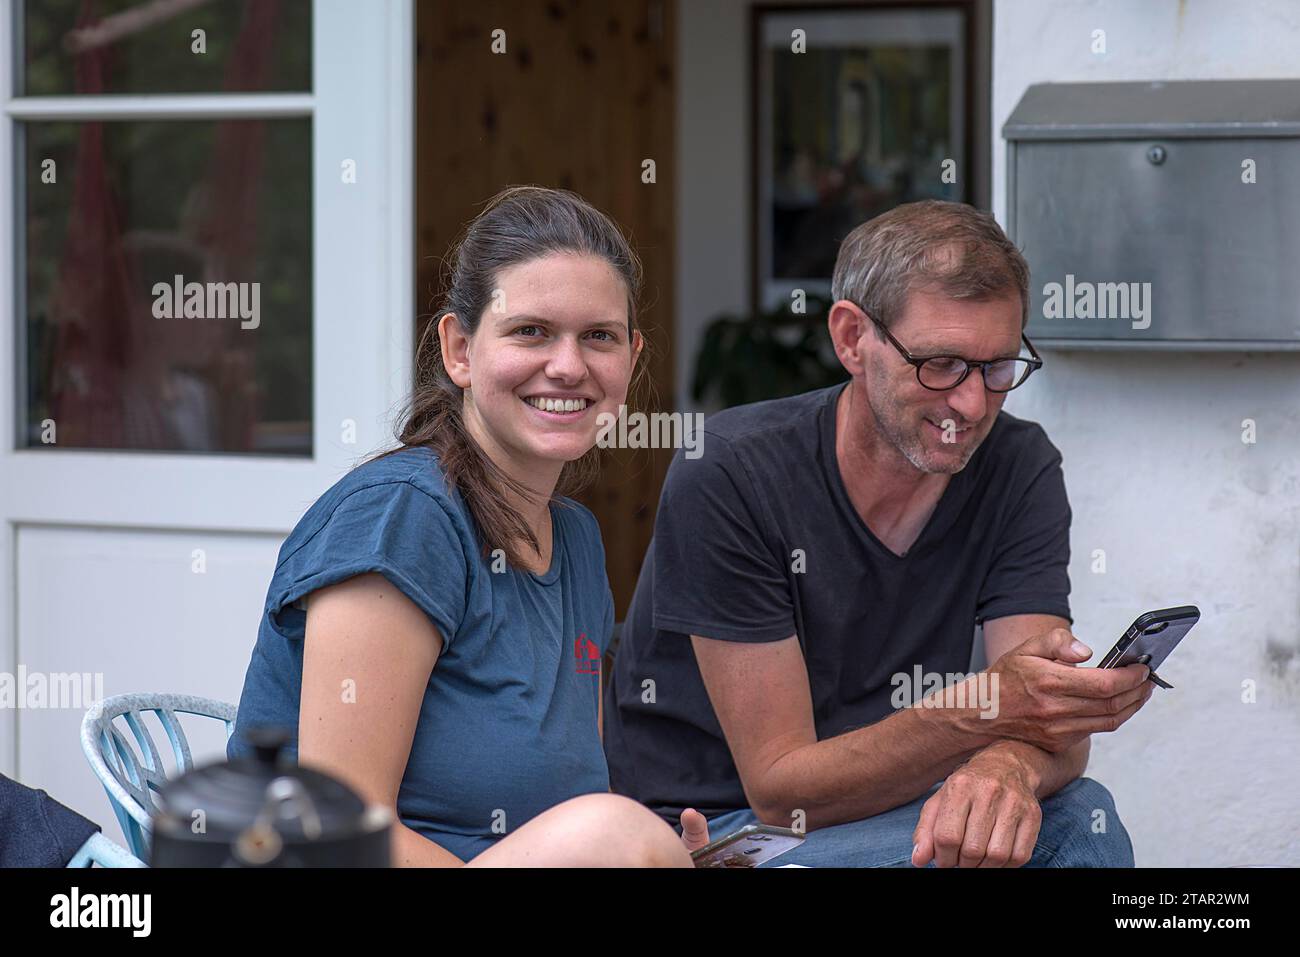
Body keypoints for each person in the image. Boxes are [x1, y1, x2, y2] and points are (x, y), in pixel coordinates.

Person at [604, 199, 1151, 867]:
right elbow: (781, 790)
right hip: (721, 830)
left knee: (1077, 815)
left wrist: (1007, 764)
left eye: (999, 368)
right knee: (1056, 834)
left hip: (896, 808)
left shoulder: (1018, 464)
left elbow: (1042, 709)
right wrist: (988, 713)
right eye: (940, 364)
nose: (972, 404)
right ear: (851, 337)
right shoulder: (730, 470)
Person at [229, 186, 708, 866]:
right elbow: (335, 832)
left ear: (629, 359)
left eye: (598, 336)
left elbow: (562, 803)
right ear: (459, 348)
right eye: (531, 331)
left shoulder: (574, 539)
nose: (568, 365)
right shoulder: (401, 519)